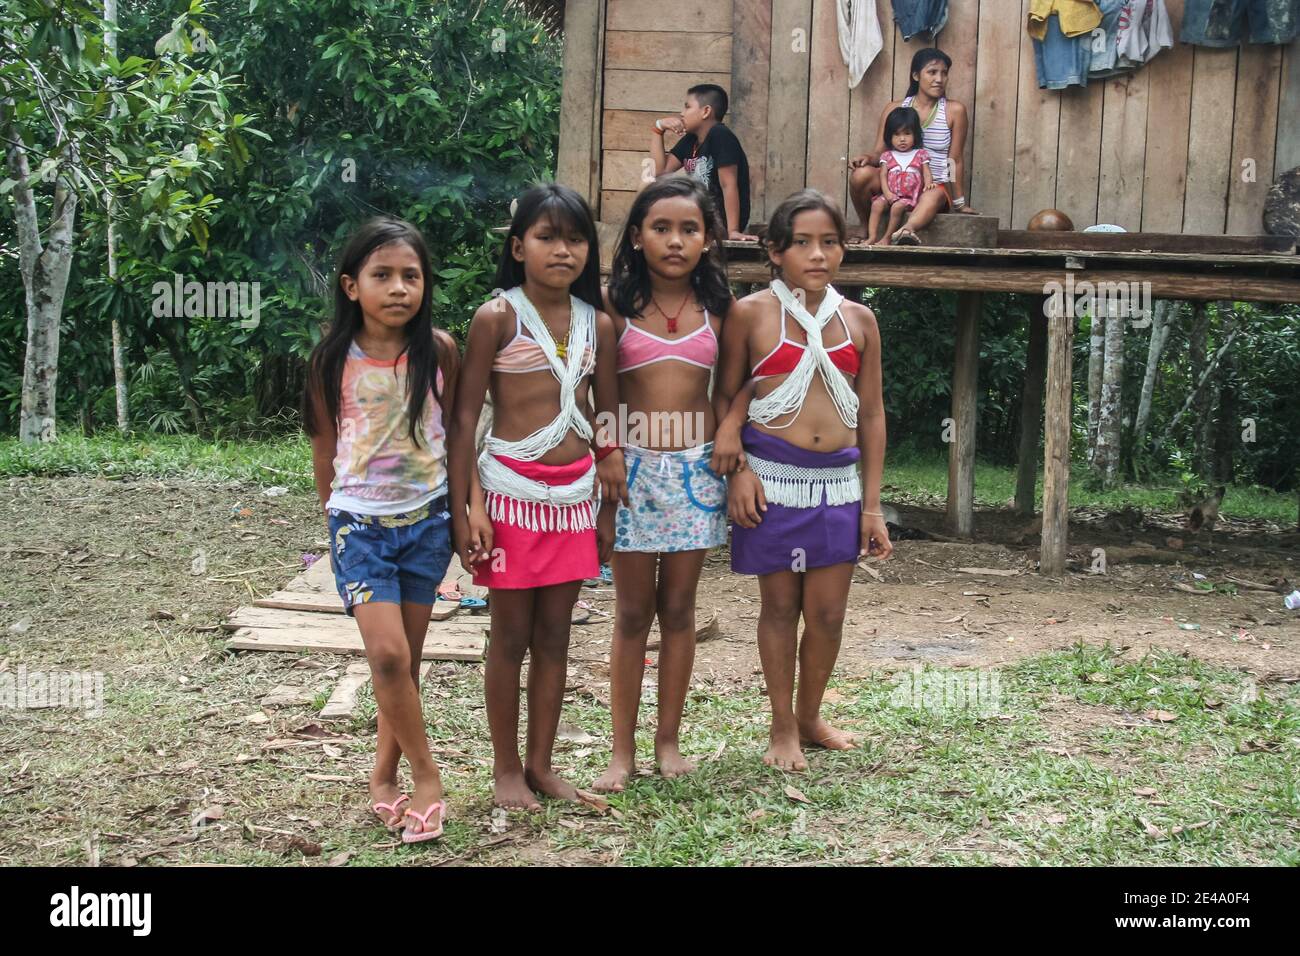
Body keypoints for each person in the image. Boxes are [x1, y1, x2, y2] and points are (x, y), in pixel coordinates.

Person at [447, 183, 626, 811]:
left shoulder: (596, 323)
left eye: (575, 239)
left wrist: (607, 494)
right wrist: (468, 507)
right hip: (508, 499)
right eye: (547, 237)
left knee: (556, 637)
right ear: (518, 245)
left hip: (573, 500)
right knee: (509, 636)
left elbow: (606, 413)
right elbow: (465, 419)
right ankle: (504, 770)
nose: (563, 251)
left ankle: (542, 765)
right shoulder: (497, 317)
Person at [713, 189, 893, 772]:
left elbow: (870, 415)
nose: (818, 254)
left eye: (831, 242)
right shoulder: (750, 313)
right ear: (774, 251)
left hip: (837, 487)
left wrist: (872, 506)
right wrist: (737, 470)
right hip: (772, 480)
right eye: (802, 243)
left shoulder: (860, 321)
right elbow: (727, 396)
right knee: (779, 608)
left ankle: (812, 715)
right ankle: (782, 725)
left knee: (829, 612)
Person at [303, 217, 458, 843]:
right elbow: (323, 449)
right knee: (388, 655)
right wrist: (333, 520)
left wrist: (466, 513)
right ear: (350, 285)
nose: (399, 288)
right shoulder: (331, 358)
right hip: (359, 528)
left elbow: (458, 436)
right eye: (382, 276)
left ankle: (382, 774)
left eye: (411, 276)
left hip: (428, 524)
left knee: (407, 663)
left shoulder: (438, 351)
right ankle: (427, 778)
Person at [591, 177, 734, 793]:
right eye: (661, 228)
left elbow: (736, 388)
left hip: (697, 473)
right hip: (632, 473)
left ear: (708, 239)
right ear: (636, 236)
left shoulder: (722, 310)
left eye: (690, 229)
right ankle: (620, 751)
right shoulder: (611, 308)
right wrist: (609, 450)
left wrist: (732, 434)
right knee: (630, 612)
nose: (675, 241)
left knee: (679, 610)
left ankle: (668, 741)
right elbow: (600, 393)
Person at [848, 48, 975, 244]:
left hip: (932, 186)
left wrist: (959, 202)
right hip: (894, 185)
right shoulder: (895, 108)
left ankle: (906, 231)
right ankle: (864, 227)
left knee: (933, 195)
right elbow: (880, 152)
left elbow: (954, 159)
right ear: (916, 75)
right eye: (932, 72)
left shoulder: (954, 111)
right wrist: (867, 159)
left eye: (944, 73)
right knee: (860, 175)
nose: (939, 79)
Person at [650, 83, 755, 240]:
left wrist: (732, 230)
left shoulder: (721, 135)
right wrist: (658, 129)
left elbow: (729, 185)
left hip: (718, 224)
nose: (682, 113)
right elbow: (659, 173)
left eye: (687, 107)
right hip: (697, 220)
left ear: (706, 111)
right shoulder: (691, 140)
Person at [865, 107, 934, 246]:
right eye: (896, 134)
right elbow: (883, 176)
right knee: (877, 204)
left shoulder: (920, 154)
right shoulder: (887, 156)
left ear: (916, 135)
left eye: (907, 133)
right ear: (889, 137)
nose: (902, 139)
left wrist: (929, 184)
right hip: (890, 194)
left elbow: (926, 172)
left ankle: (887, 238)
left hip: (908, 198)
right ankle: (871, 237)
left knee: (897, 207)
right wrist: (887, 193)